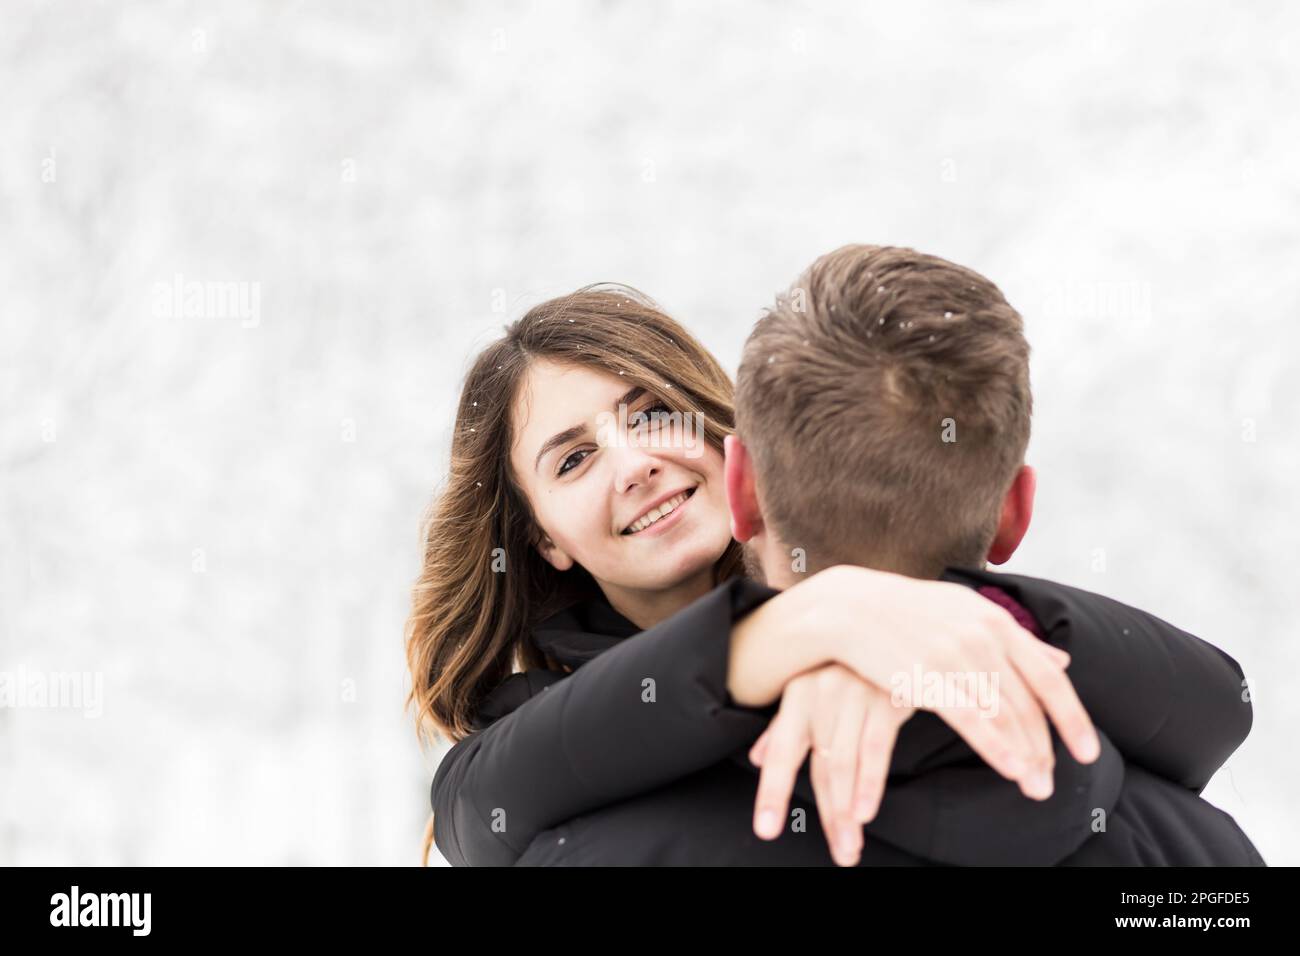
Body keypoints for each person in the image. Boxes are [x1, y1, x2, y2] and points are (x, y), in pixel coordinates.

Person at [408, 278, 1255, 866]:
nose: (634, 465)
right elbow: (477, 809)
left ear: (729, 452)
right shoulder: (529, 760)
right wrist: (772, 640)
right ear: (544, 539)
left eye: (653, 415)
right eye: (574, 460)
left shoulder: (981, 661)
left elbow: (1216, 706)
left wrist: (927, 617)